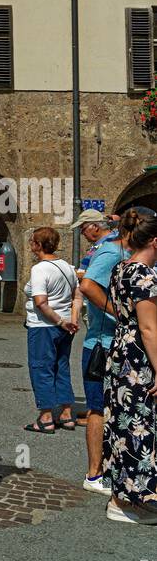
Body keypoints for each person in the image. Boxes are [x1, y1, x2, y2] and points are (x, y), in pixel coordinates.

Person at [103, 207, 157, 525]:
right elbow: (149, 328)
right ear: (154, 240)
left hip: (121, 350)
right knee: (139, 425)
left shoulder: (120, 269)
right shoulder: (144, 275)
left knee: (122, 425)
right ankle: (127, 503)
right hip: (139, 356)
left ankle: (126, 497)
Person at [78, 213, 131, 492]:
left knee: (119, 409)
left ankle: (114, 471)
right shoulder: (111, 252)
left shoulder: (123, 252)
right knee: (98, 408)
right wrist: (119, 314)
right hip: (102, 344)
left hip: (119, 343)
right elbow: (87, 285)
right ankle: (94, 474)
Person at [24, 226, 81, 434]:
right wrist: (72, 320)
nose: (30, 244)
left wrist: (60, 322)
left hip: (44, 326)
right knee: (61, 366)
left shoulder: (40, 269)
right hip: (65, 326)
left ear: (38, 245)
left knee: (41, 368)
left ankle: (46, 416)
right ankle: (66, 413)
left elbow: (41, 302)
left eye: (32, 241)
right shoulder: (67, 266)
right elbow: (77, 296)